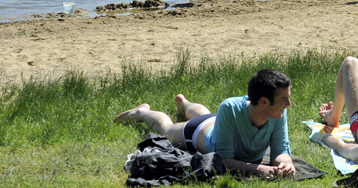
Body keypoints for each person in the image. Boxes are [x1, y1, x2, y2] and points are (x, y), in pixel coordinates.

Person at [115, 69, 295, 178]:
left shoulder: (278, 112)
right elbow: (224, 160)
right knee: (166, 129)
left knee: (205, 114)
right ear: (264, 101)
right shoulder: (230, 107)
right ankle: (142, 112)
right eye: (284, 99)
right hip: (199, 131)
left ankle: (184, 104)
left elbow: (280, 150)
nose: (289, 104)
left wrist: (286, 164)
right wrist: (260, 169)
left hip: (218, 122)